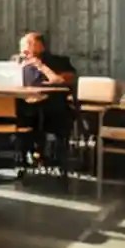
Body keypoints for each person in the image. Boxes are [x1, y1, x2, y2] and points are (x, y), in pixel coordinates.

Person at [14, 32, 76, 169]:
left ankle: (41, 153)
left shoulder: (57, 62)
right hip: (23, 104)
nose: (24, 48)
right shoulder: (18, 61)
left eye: (29, 44)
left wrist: (40, 66)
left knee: (38, 112)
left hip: (50, 106)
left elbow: (60, 80)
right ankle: (21, 155)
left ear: (40, 46)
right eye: (23, 44)